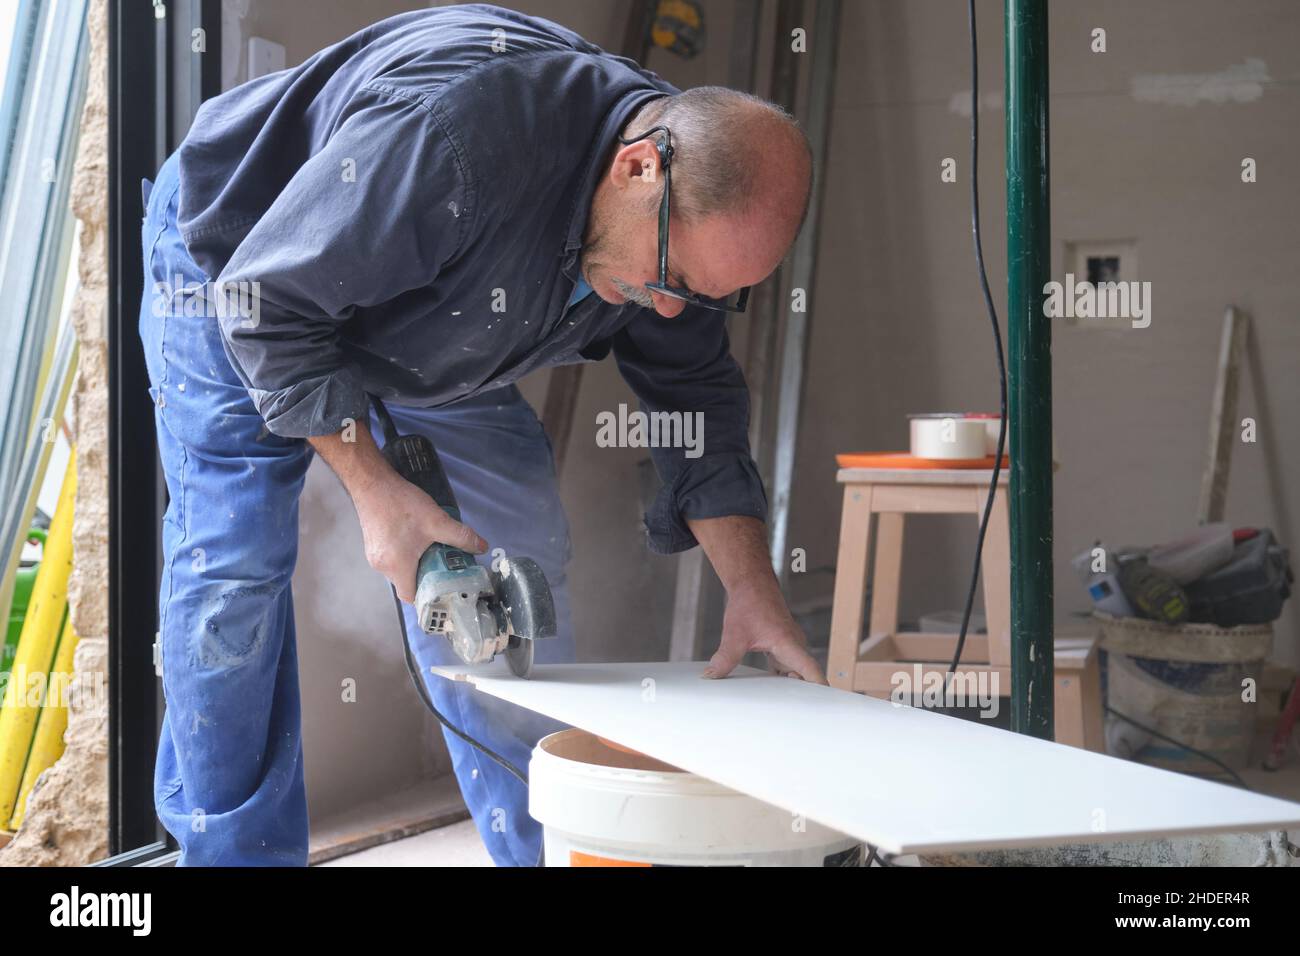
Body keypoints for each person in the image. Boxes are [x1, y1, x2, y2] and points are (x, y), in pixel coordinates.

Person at [139, 3, 820, 867]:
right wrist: (381, 495)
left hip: (432, 315)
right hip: (239, 269)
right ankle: (234, 861)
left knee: (514, 557)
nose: (675, 308)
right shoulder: (454, 136)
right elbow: (268, 305)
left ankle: (549, 848)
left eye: (707, 295)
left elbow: (695, 392)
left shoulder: (676, 213)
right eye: (673, 279)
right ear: (638, 166)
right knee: (233, 569)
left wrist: (752, 588)